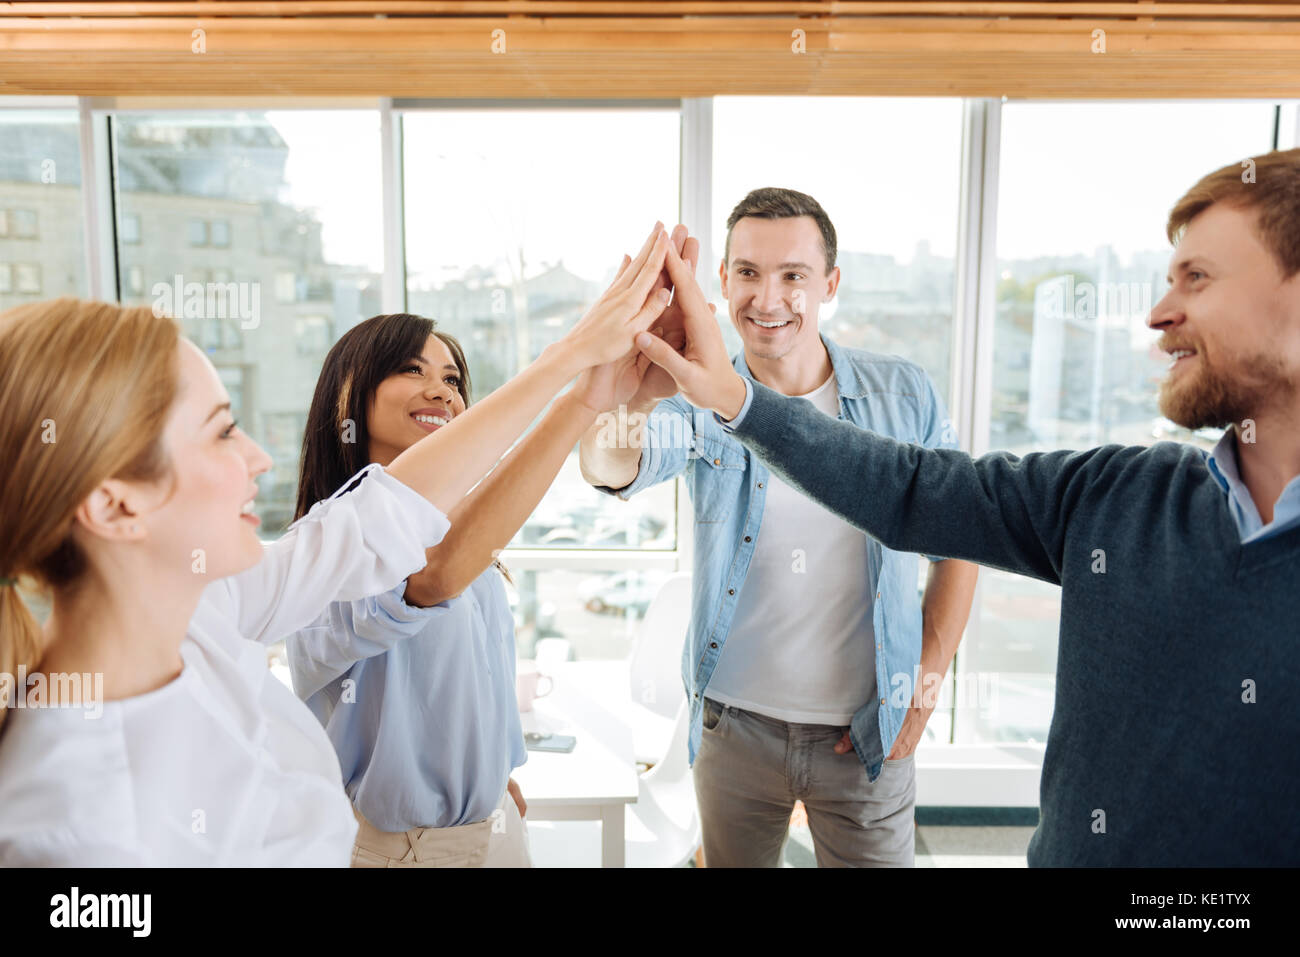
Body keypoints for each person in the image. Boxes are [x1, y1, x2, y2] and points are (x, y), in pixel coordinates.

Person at [635, 151, 1300, 866]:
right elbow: (913, 492)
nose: (1158, 312)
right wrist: (717, 399)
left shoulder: (903, 390)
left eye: (1196, 277)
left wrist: (924, 675)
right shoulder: (1114, 496)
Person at [0, 221, 673, 865]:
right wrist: (569, 362)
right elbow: (423, 561)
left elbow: (382, 518)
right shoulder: (70, 821)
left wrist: (587, 384)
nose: (259, 459)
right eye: (221, 432)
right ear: (115, 503)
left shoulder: (215, 609)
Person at [580, 191, 979, 867]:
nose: (767, 298)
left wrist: (924, 688)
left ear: (830, 283)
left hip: (868, 733)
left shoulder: (904, 395)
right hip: (734, 729)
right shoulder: (696, 398)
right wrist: (625, 398)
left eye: (793, 275)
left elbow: (960, 542)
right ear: (724, 281)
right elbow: (608, 465)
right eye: (747, 273)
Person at [285, 230, 697, 868]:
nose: (442, 391)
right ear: (348, 397)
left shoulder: (457, 524)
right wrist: (576, 379)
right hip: (403, 850)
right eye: (410, 370)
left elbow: (463, 679)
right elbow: (434, 578)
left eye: (451, 377)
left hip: (485, 825)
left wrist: (493, 776)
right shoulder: (329, 539)